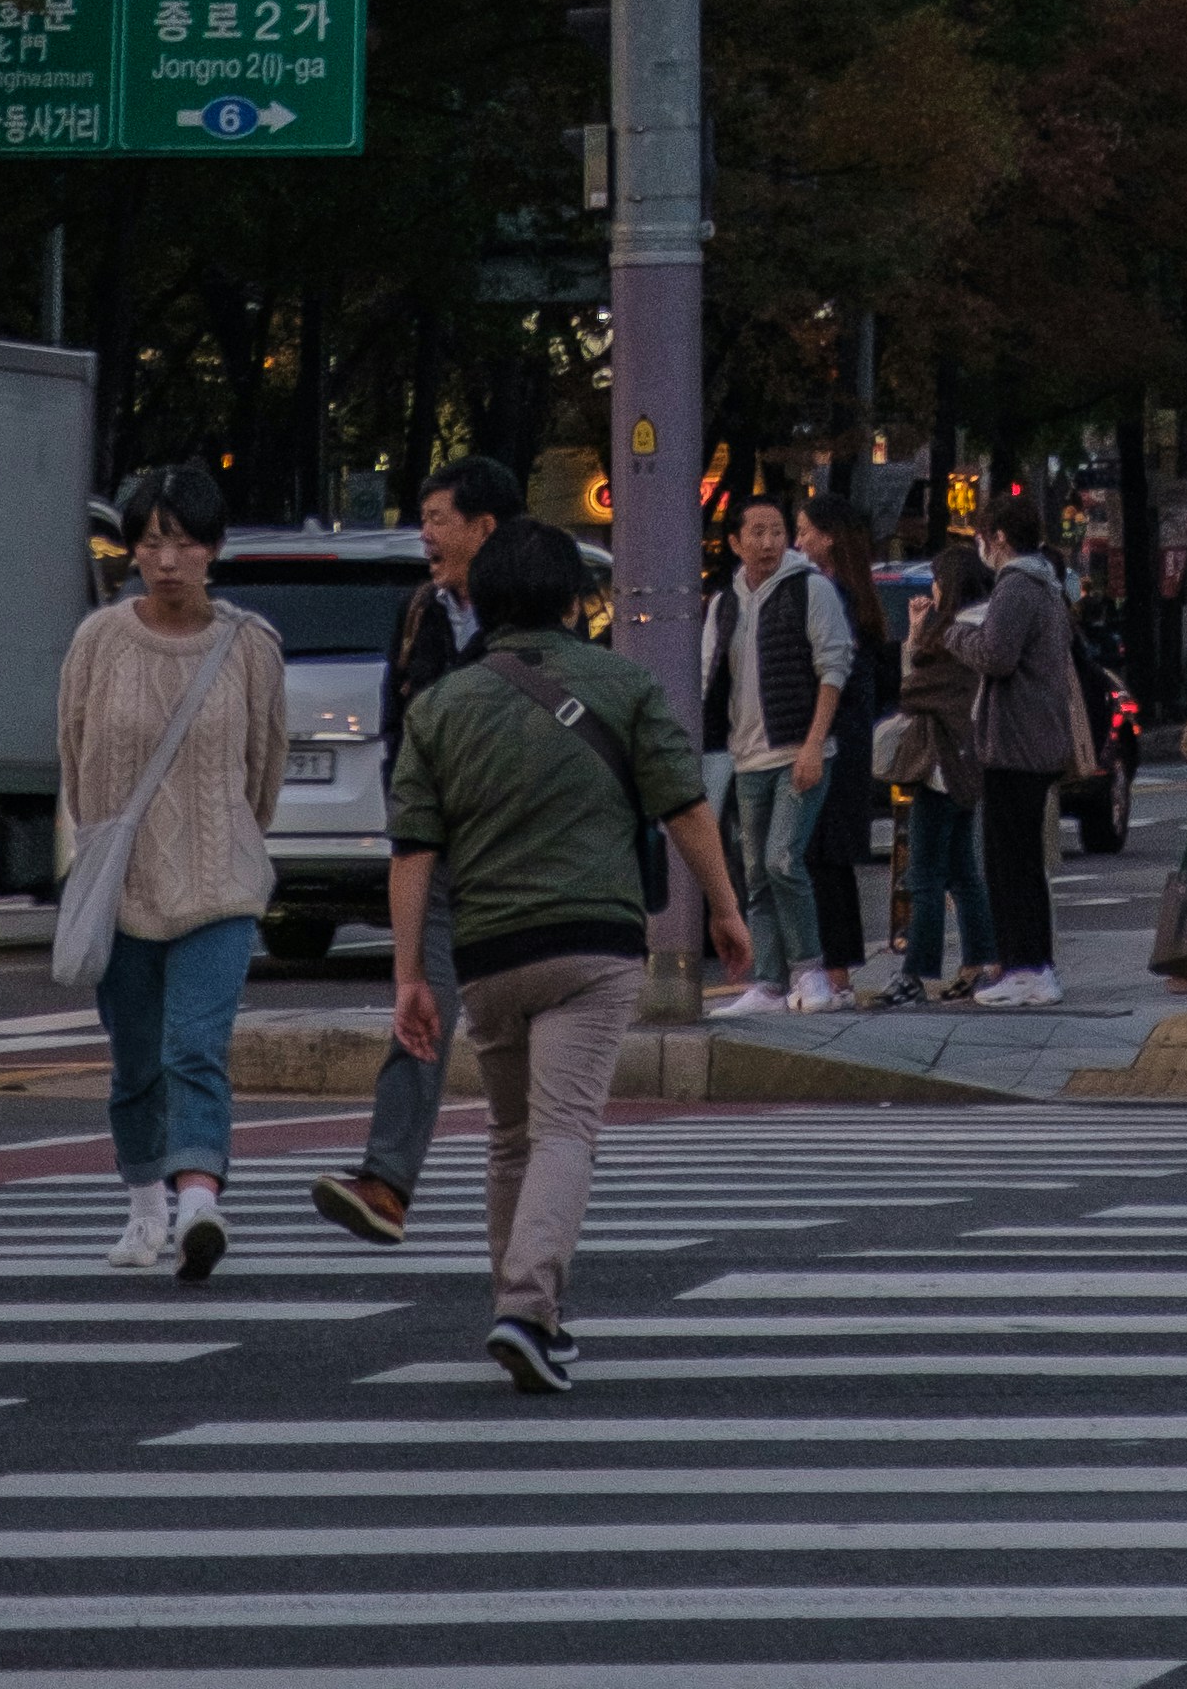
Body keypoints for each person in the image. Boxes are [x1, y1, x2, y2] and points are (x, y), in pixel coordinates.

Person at [382, 513, 746, 1388]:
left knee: (511, 1136)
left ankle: (528, 1312)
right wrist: (726, 910)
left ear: (486, 597)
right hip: (592, 944)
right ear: (577, 600)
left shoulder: (439, 705)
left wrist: (408, 976)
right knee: (566, 1130)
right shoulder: (622, 684)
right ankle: (525, 1304)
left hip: (488, 952)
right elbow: (683, 804)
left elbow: (412, 850)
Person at [59, 460, 285, 1281]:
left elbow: (265, 766)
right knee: (135, 1060)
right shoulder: (99, 640)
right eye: (151, 542)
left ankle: (199, 1201)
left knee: (197, 1045)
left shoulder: (250, 645)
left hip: (219, 881)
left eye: (184, 543)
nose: (166, 560)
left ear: (213, 550)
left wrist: (227, 841)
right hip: (121, 886)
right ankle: (145, 1203)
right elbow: (75, 759)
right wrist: (101, 850)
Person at [308, 451, 514, 1239]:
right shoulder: (419, 611)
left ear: (483, 528)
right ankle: (387, 1182)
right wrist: (408, 813)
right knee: (419, 1011)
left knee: (519, 1031)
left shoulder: (530, 610)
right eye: (422, 518)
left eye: (437, 519)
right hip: (437, 845)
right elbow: (396, 723)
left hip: (514, 855)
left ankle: (540, 1171)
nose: (423, 534)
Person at [695, 491, 855, 1017]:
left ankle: (811, 973)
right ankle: (767, 983)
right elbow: (708, 680)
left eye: (777, 531)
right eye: (756, 532)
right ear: (736, 542)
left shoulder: (810, 590)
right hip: (746, 757)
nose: (767, 542)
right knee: (755, 871)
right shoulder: (724, 603)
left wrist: (813, 745)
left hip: (799, 750)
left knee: (783, 860)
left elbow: (834, 667)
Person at [966, 491, 1086, 1008]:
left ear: (997, 537)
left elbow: (996, 656)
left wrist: (948, 633)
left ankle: (1024, 967)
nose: (980, 547)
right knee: (1021, 860)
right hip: (1034, 740)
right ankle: (1033, 966)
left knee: (1008, 861)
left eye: (981, 536)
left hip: (1015, 743)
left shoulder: (1016, 584)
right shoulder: (1047, 584)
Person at [882, 539, 998, 1000]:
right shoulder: (981, 629)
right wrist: (916, 631)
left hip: (943, 767)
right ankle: (977, 963)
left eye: (935, 578)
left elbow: (913, 691)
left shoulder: (954, 637)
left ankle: (917, 972)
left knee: (925, 874)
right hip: (967, 767)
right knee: (962, 871)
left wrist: (916, 638)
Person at [803, 505, 897, 995]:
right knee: (828, 857)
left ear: (829, 539)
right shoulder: (857, 596)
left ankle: (833, 970)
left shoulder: (829, 595)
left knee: (820, 856)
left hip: (831, 738)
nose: (798, 542)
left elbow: (831, 674)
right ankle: (836, 969)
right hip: (849, 739)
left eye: (803, 532)